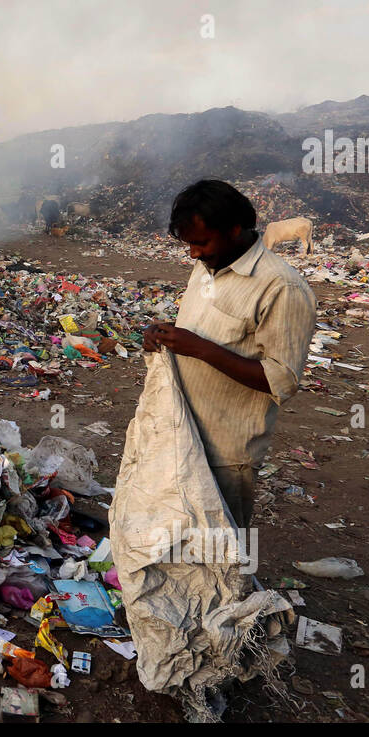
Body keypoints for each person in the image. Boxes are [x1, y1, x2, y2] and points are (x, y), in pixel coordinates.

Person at [142, 180, 316, 529]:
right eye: (188, 243)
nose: (193, 253)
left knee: (220, 553)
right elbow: (200, 327)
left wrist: (200, 349)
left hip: (225, 451)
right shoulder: (208, 265)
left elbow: (281, 379)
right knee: (170, 541)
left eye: (200, 242)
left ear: (235, 229)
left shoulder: (281, 287)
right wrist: (162, 334)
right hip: (178, 430)